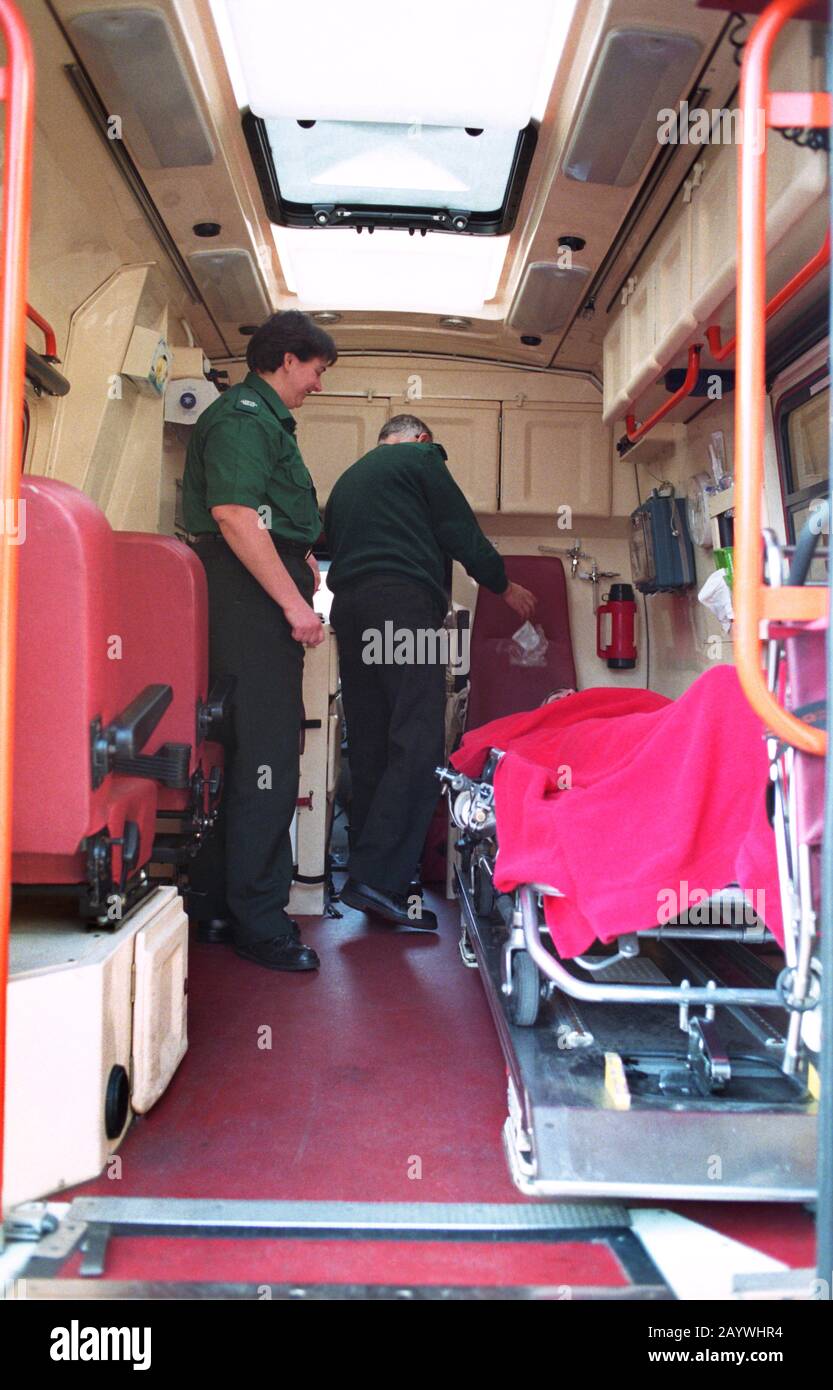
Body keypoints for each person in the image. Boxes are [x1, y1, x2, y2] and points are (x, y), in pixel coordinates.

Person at [324, 414, 535, 930]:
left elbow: (323, 546)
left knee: (371, 742)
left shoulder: (349, 480)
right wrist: (504, 586)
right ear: (421, 439)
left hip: (349, 611)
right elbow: (459, 529)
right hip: (402, 606)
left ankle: (366, 875)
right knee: (417, 741)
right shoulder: (422, 459)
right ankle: (381, 880)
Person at [182, 310, 336, 971]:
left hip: (246, 592)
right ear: (287, 360)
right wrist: (294, 604)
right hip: (247, 602)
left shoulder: (257, 417)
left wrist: (297, 562)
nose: (318, 385)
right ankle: (260, 925)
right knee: (267, 764)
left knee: (247, 761)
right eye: (317, 371)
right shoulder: (246, 416)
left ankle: (216, 908)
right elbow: (235, 517)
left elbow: (260, 520)